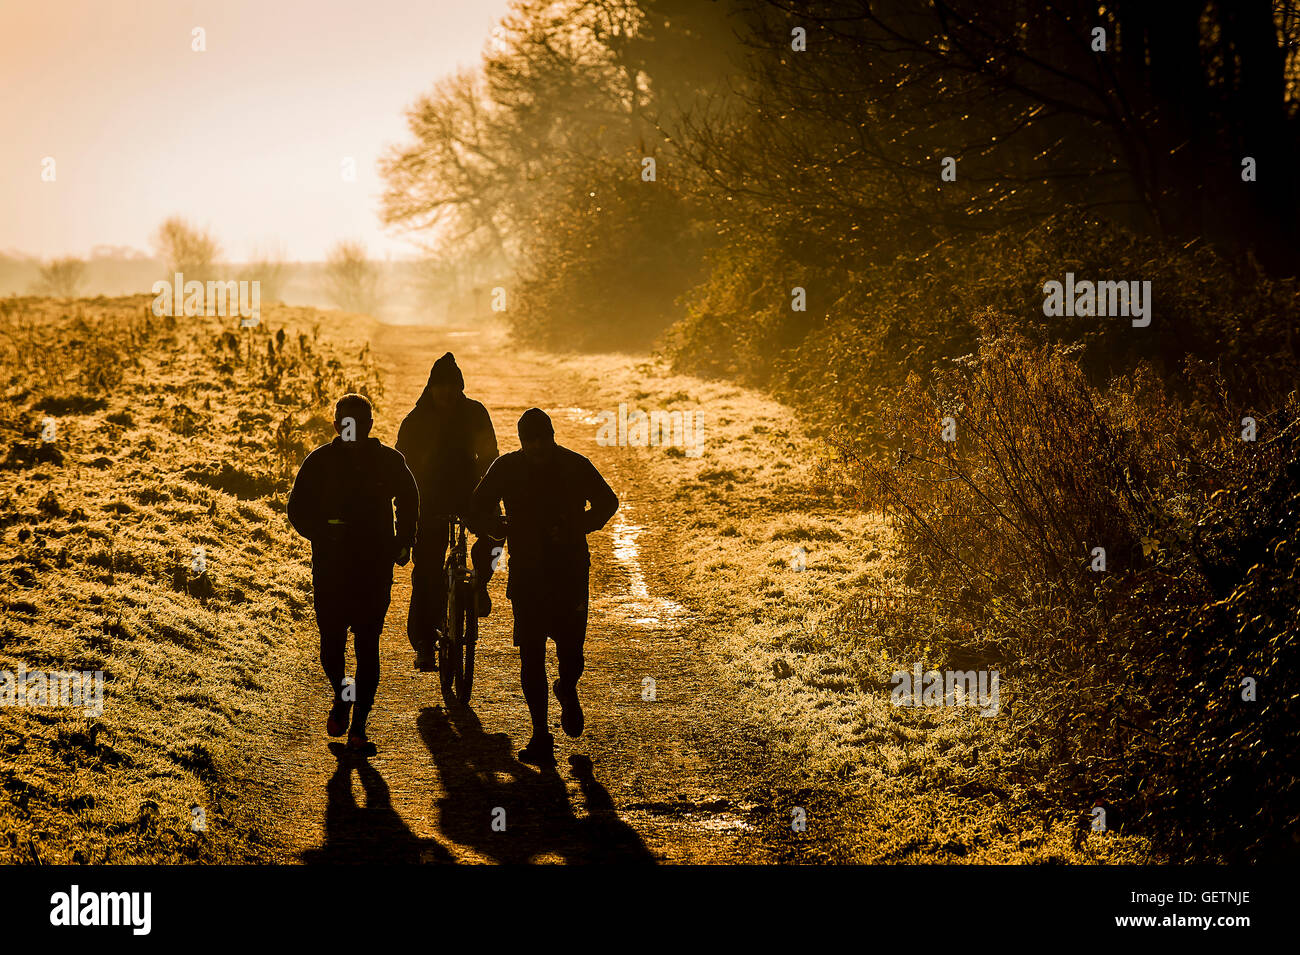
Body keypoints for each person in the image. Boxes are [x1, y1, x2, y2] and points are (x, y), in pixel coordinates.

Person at [468, 408, 618, 766]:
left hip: (569, 573)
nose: (536, 446)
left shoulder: (575, 464)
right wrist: (497, 529)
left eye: (542, 439)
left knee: (571, 654)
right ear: (521, 442)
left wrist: (575, 526)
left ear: (552, 436)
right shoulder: (506, 467)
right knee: (531, 656)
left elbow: (608, 502)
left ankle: (567, 689)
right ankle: (540, 734)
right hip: (527, 576)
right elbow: (476, 507)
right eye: (529, 440)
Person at [288, 394, 418, 753]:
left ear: (370, 426)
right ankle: (343, 695)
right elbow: (296, 509)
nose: (351, 430)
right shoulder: (320, 461)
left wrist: (405, 540)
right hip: (331, 566)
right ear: (335, 425)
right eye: (346, 424)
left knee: (367, 644)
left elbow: (410, 499)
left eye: (358, 424)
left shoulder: (390, 462)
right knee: (331, 644)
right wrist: (324, 531)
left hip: (373, 567)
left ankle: (359, 725)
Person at [395, 352, 499, 671]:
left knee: (495, 535)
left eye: (453, 387)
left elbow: (490, 457)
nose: (447, 393)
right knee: (427, 571)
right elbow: (402, 473)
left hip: (471, 495)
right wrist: (406, 521)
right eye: (441, 387)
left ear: (461, 388)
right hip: (429, 501)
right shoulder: (415, 421)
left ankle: (480, 583)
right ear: (430, 388)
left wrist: (487, 495)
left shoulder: (475, 413)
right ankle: (425, 643)